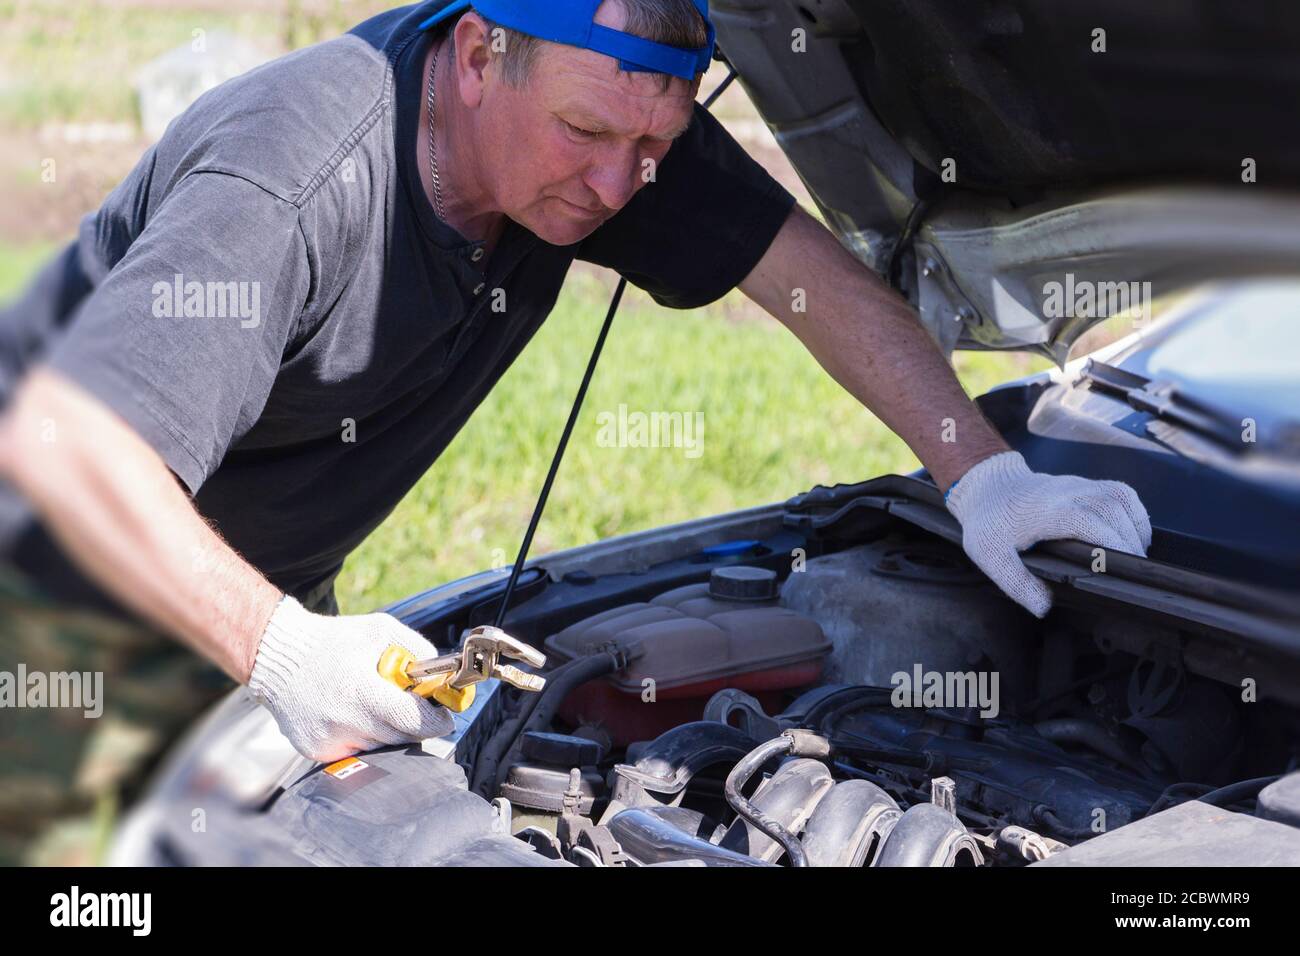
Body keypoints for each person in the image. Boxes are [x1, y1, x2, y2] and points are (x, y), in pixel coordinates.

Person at [0, 0, 1150, 862]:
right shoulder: (294, 177)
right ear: (476, 53)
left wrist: (983, 473)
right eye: (587, 133)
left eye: (651, 147)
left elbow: (810, 279)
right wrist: (281, 648)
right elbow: (65, 444)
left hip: (227, 611)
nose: (615, 186)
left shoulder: (610, 113)